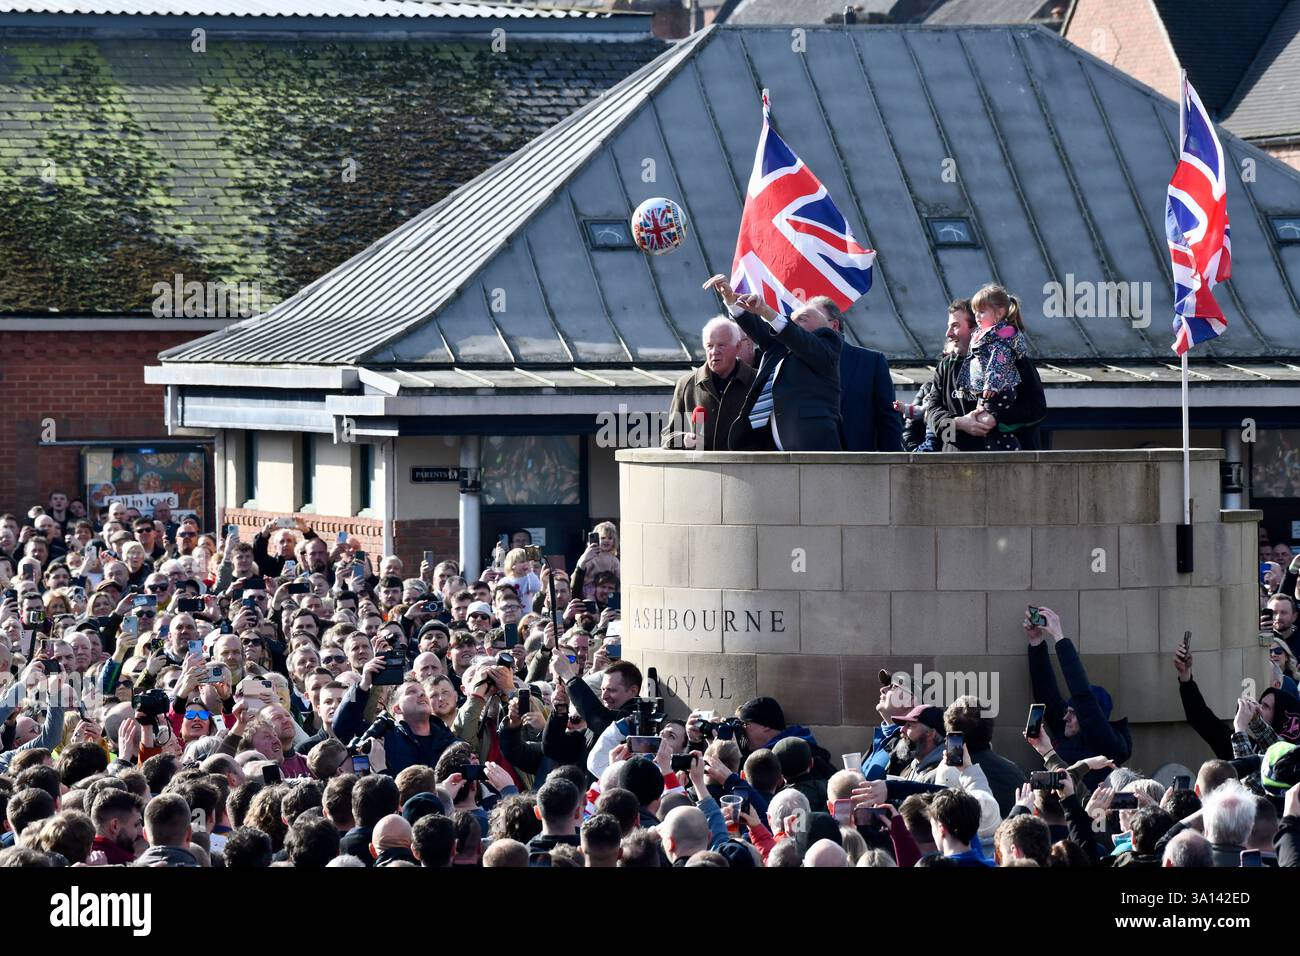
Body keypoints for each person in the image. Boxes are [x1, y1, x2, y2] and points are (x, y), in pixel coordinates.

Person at [703, 274, 843, 452]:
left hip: (812, 450)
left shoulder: (827, 344)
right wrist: (731, 300)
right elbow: (758, 328)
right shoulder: (779, 346)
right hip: (771, 450)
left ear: (823, 328)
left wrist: (767, 312)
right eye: (791, 318)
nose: (792, 322)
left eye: (802, 318)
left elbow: (802, 341)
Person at [1025, 606, 1130, 785]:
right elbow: (1046, 692)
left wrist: (1059, 636)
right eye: (1068, 710)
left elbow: (1082, 694)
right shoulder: (1067, 731)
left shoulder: (1106, 743)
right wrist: (1036, 642)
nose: (1066, 717)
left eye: (1073, 713)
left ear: (1090, 717)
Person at [923, 298, 1046, 451]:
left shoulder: (1013, 360)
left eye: (955, 326)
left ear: (977, 327)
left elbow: (1037, 410)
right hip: (954, 466)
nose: (948, 334)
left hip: (1007, 465)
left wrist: (996, 420)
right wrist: (959, 423)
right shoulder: (947, 365)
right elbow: (932, 412)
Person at [661, 316, 756, 450]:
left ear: (738, 346)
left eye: (721, 345)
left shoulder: (757, 381)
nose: (714, 352)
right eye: (709, 346)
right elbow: (667, 436)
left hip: (745, 468)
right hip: (703, 469)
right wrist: (684, 439)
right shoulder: (687, 385)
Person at [819, 302, 902, 451]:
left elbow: (888, 418)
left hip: (858, 460)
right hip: (808, 460)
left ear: (834, 325)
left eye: (813, 319)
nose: (803, 328)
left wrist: (893, 462)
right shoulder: (794, 361)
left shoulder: (871, 362)